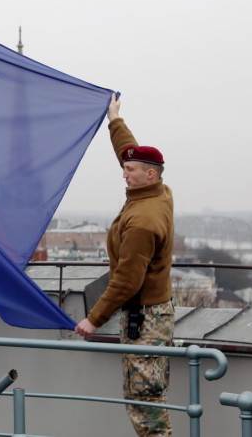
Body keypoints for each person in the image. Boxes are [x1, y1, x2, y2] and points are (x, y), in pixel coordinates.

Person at [75, 95, 175, 437]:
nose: (124, 175)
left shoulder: (143, 220)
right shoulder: (159, 192)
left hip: (143, 322)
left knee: (145, 405)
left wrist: (93, 319)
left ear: (149, 174)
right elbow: (130, 152)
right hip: (155, 315)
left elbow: (127, 281)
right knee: (151, 397)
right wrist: (114, 120)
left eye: (130, 171)